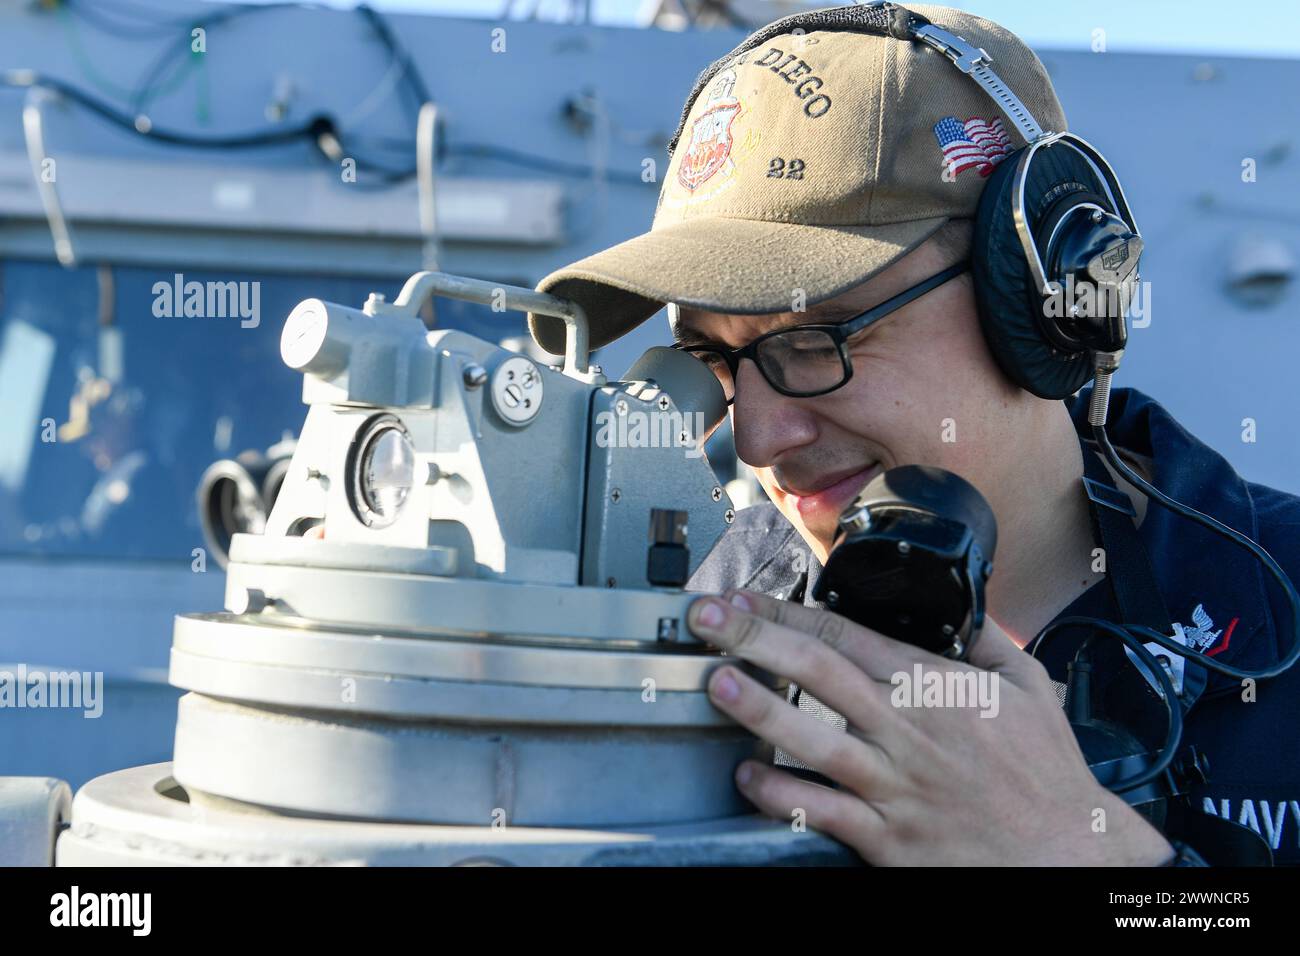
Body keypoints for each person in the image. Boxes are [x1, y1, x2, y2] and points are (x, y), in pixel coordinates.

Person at [527, 3, 1300, 865]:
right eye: (714, 358)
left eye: (818, 339)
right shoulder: (686, 619)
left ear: (1042, 298)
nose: (758, 439)